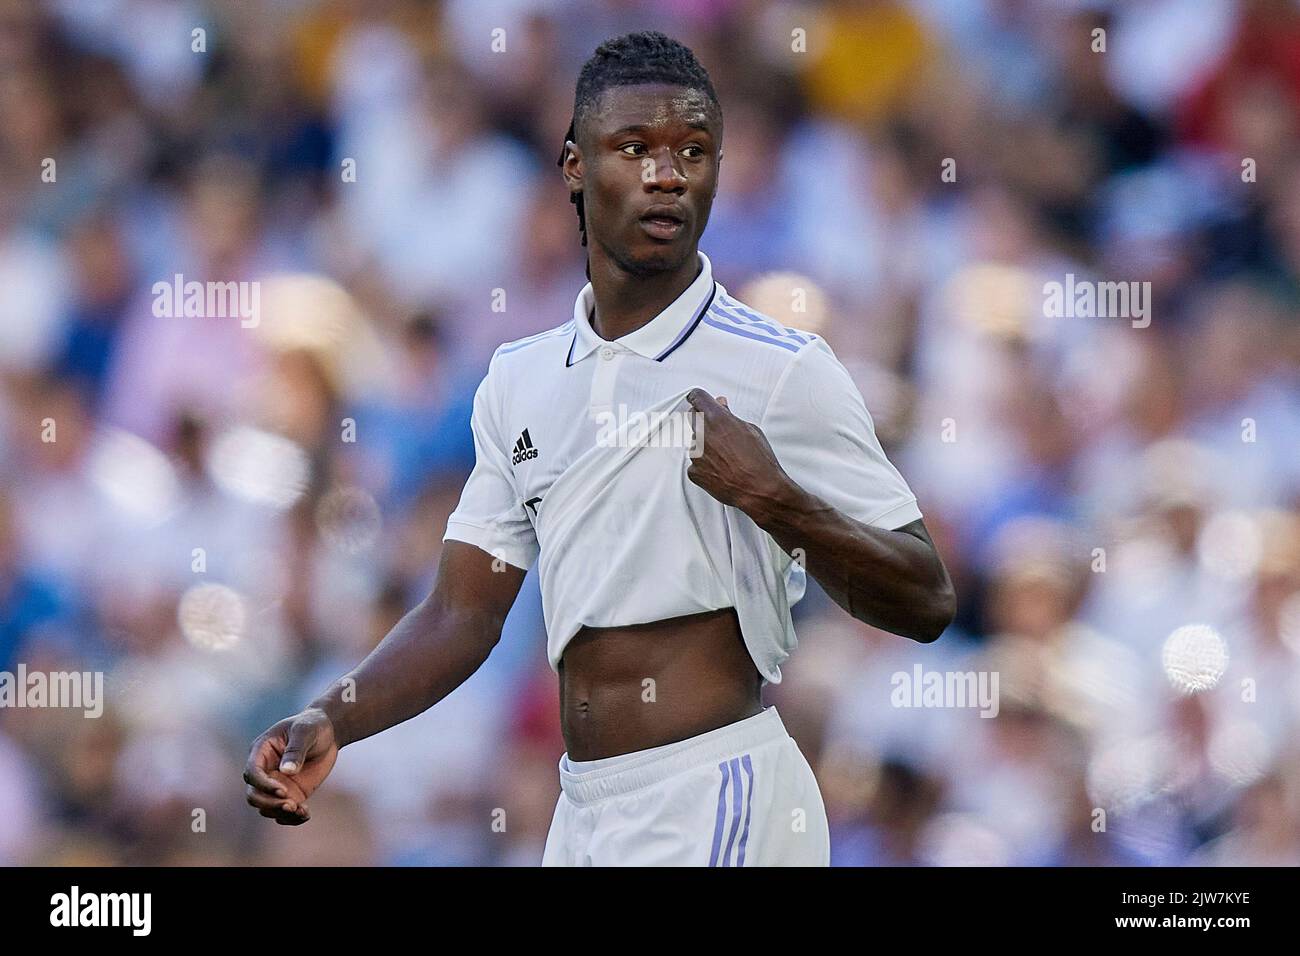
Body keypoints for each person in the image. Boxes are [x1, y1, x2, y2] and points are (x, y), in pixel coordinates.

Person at [243, 30, 955, 866]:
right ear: (575, 167)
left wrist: (772, 497)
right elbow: (462, 613)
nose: (666, 174)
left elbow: (927, 596)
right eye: (634, 148)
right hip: (582, 808)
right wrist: (336, 713)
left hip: (718, 790)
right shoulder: (521, 378)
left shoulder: (781, 367)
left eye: (694, 150)